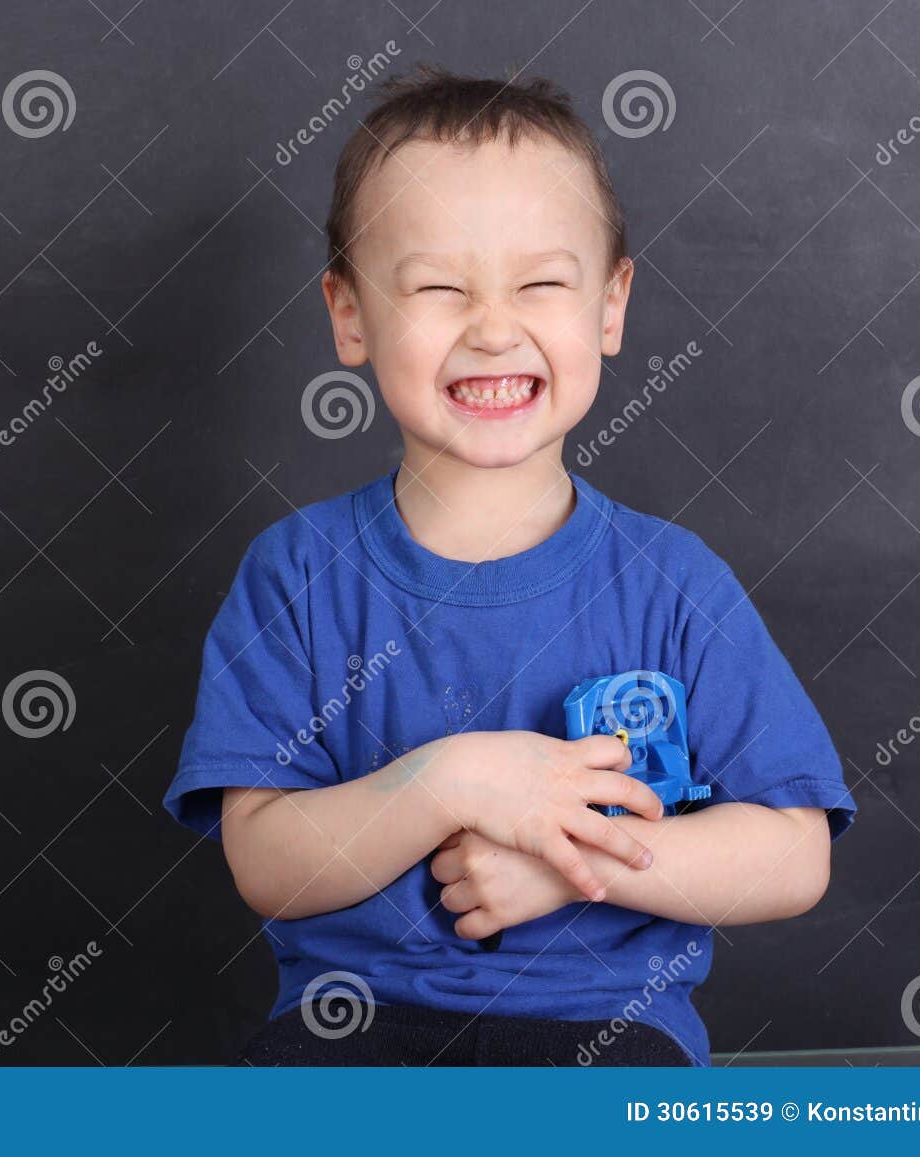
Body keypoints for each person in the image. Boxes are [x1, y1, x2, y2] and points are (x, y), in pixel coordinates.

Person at [161, 66, 858, 1067]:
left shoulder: (673, 580)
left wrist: (586, 866)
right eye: (440, 287)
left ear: (609, 305)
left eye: (539, 283)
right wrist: (448, 777)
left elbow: (793, 853)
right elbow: (266, 861)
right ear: (350, 315)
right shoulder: (296, 573)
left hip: (601, 1032)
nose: (492, 326)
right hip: (352, 1030)